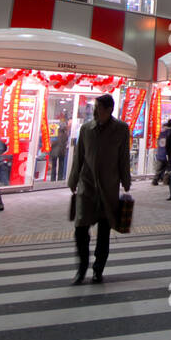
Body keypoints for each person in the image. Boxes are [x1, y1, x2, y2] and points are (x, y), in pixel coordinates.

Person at [68, 94, 131, 284]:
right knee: (80, 227)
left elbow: (124, 157)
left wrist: (126, 180)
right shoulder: (87, 129)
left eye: (99, 108)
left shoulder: (121, 129)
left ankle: (98, 269)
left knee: (104, 230)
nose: (95, 111)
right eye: (95, 107)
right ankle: (81, 267)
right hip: (87, 185)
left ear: (109, 109)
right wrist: (73, 179)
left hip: (109, 186)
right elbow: (79, 155)